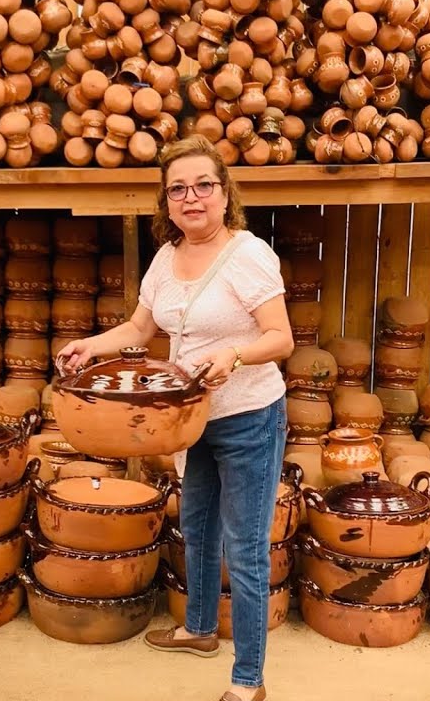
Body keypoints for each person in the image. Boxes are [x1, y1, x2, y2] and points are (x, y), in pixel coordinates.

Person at [56, 136, 293, 701]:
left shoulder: (249, 255)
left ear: (224, 192)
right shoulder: (167, 257)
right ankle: (200, 629)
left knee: (246, 546)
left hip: (248, 415)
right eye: (178, 189)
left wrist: (233, 355)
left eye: (204, 185)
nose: (192, 198)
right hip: (189, 417)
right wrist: (91, 344)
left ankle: (249, 679)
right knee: (197, 525)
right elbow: (141, 331)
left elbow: (281, 338)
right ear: (166, 201)